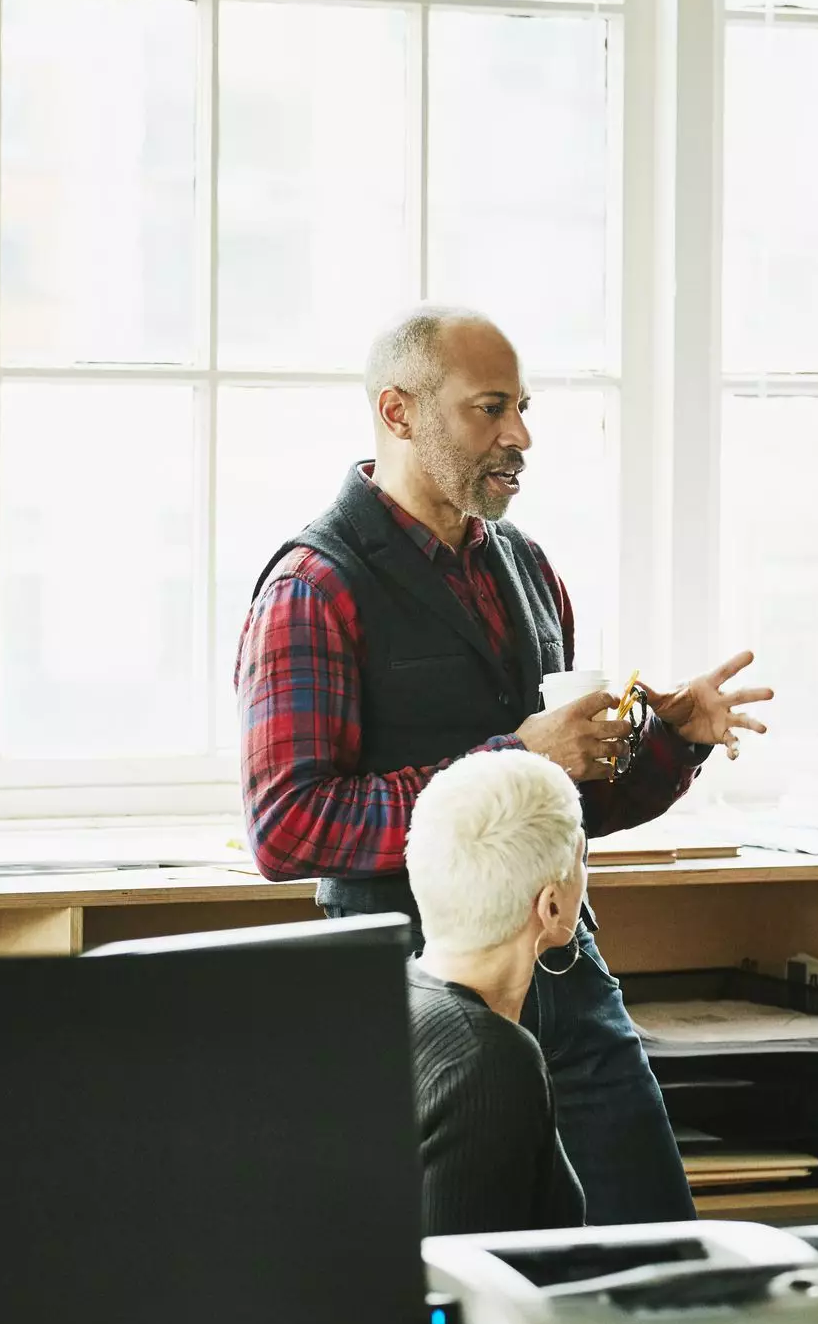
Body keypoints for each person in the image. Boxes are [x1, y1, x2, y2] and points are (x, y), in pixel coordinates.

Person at [235, 302, 772, 1225]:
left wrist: (667, 743)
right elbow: (288, 829)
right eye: (489, 409)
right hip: (413, 1000)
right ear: (398, 413)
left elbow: (570, 805)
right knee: (465, 1284)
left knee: (654, 1254)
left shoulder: (525, 567)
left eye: (521, 408)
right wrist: (511, 757)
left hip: (566, 971)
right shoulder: (313, 587)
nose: (519, 435)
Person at [403, 748, 590, 1236]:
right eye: (583, 856)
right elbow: (466, 1298)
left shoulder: (387, 997)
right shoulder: (490, 1062)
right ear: (550, 908)